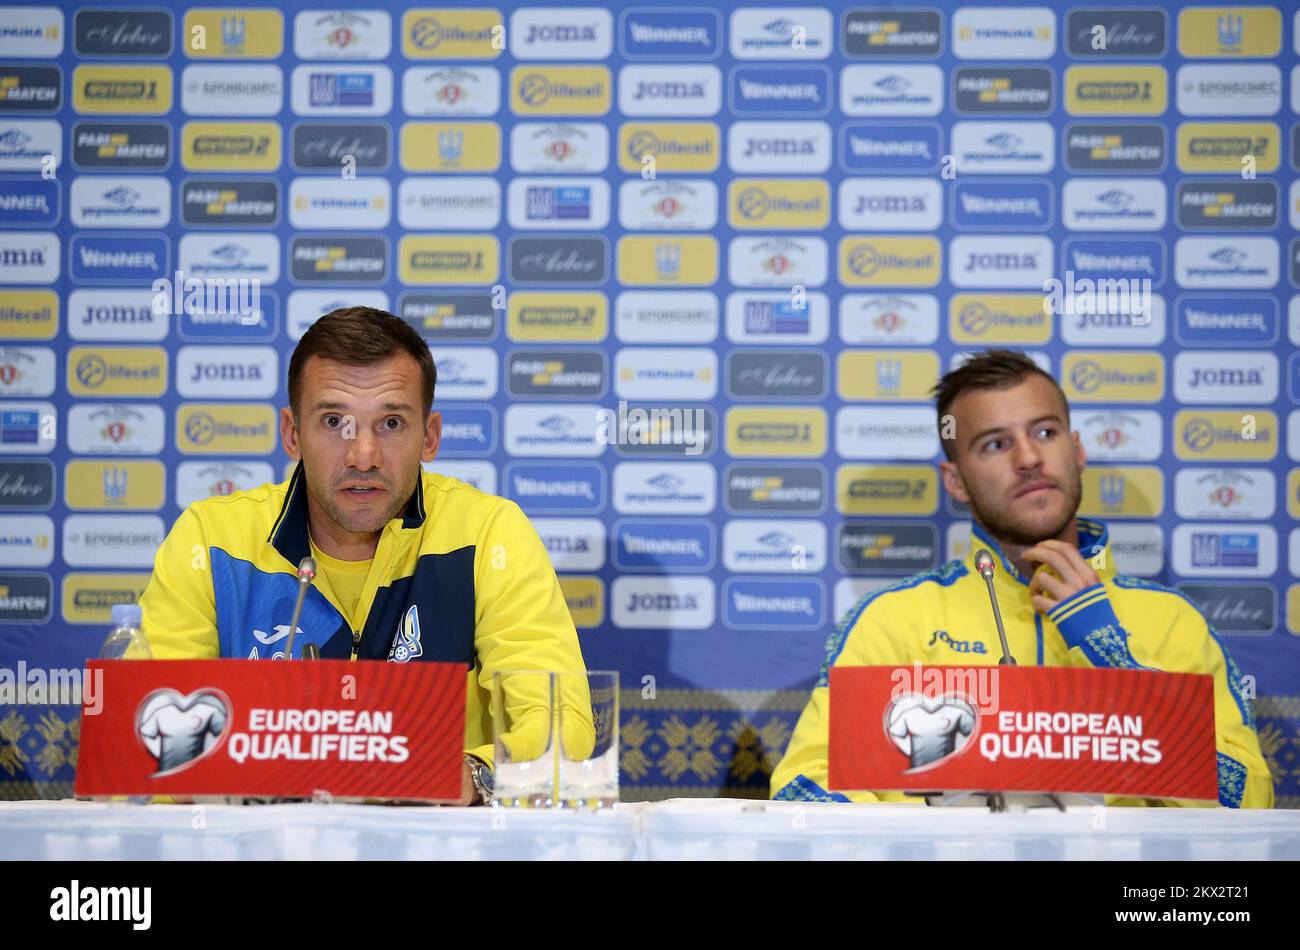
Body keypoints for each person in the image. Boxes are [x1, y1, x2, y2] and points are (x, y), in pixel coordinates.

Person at [771, 349, 1273, 808]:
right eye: (995, 444)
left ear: (1077, 451)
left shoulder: (1172, 621)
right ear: (956, 480)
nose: (1029, 458)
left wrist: (1114, 659)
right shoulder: (892, 620)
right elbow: (803, 789)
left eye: (1046, 433)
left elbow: (1246, 804)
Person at [140, 307, 591, 804]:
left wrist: (471, 776)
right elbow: (152, 733)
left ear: (431, 435)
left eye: (392, 422)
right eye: (334, 421)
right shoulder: (211, 540)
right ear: (292, 433)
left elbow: (559, 722)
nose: (363, 454)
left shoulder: (486, 535)